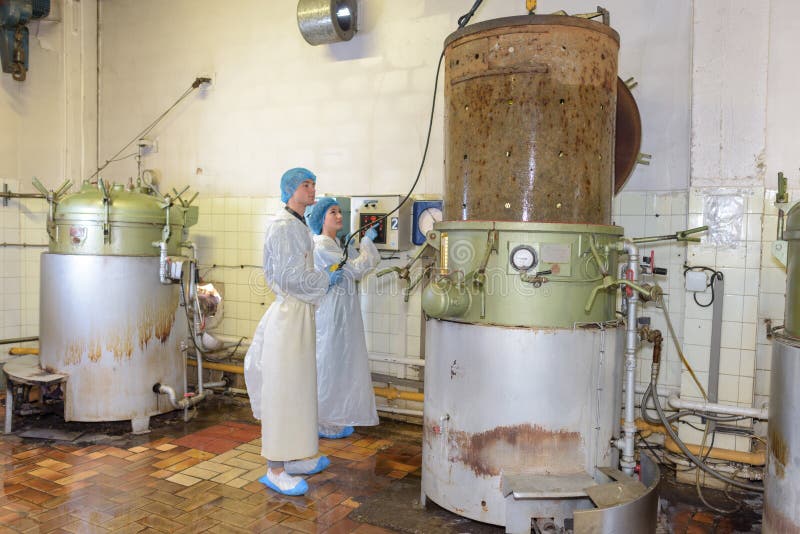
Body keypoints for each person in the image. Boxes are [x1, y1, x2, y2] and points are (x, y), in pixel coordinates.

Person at [243, 167, 344, 496]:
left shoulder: (298, 223)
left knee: (301, 390)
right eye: (306, 185)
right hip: (288, 315)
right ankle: (275, 468)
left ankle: (296, 457)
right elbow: (289, 278)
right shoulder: (284, 225)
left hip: (301, 313)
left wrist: (319, 276)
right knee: (284, 392)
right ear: (289, 190)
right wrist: (322, 280)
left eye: (314, 184)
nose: (312, 190)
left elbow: (302, 270)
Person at [305, 197, 381, 440]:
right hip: (331, 314)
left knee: (339, 365)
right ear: (320, 219)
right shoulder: (322, 245)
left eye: (339, 212)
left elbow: (349, 267)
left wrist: (353, 245)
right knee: (328, 365)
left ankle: (334, 418)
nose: (339, 216)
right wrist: (367, 242)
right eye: (332, 212)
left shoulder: (335, 243)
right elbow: (356, 269)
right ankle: (321, 421)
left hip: (342, 313)